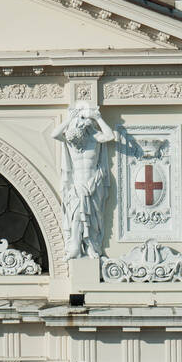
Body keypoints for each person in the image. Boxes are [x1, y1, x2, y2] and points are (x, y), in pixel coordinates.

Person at [52, 104, 115, 258]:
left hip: (94, 183)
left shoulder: (94, 138)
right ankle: (75, 243)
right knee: (77, 213)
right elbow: (55, 134)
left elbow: (110, 136)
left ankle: (91, 244)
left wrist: (97, 117)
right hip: (77, 184)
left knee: (93, 216)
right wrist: (69, 119)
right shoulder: (72, 141)